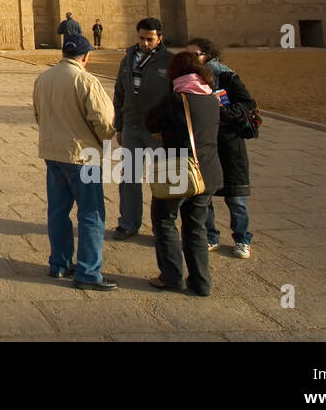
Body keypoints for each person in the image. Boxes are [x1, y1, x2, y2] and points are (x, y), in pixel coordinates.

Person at [32, 34, 119, 290]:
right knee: (91, 213)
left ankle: (59, 264)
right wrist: (105, 138)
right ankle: (89, 273)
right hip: (82, 156)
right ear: (85, 57)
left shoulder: (43, 78)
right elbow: (104, 121)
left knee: (58, 211)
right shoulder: (85, 80)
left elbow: (38, 113)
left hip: (53, 153)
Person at [144, 50, 223, 296]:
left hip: (180, 170)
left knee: (164, 219)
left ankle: (171, 276)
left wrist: (165, 134)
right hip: (207, 171)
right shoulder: (212, 98)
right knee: (196, 226)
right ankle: (201, 282)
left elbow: (151, 122)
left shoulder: (177, 99)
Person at [186, 37, 256, 259]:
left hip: (229, 142)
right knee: (204, 193)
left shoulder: (227, 75)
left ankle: (242, 239)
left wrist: (220, 113)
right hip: (206, 143)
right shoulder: (189, 79)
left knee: (235, 196)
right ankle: (210, 236)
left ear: (207, 55)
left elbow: (247, 103)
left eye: (194, 54)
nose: (191, 59)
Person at [110, 17, 173, 240]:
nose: (145, 43)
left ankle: (162, 226)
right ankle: (128, 222)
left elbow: (175, 100)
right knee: (129, 177)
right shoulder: (128, 59)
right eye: (142, 38)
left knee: (160, 179)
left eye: (150, 39)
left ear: (160, 39)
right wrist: (119, 125)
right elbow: (119, 93)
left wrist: (168, 129)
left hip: (156, 131)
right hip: (131, 126)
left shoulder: (169, 62)